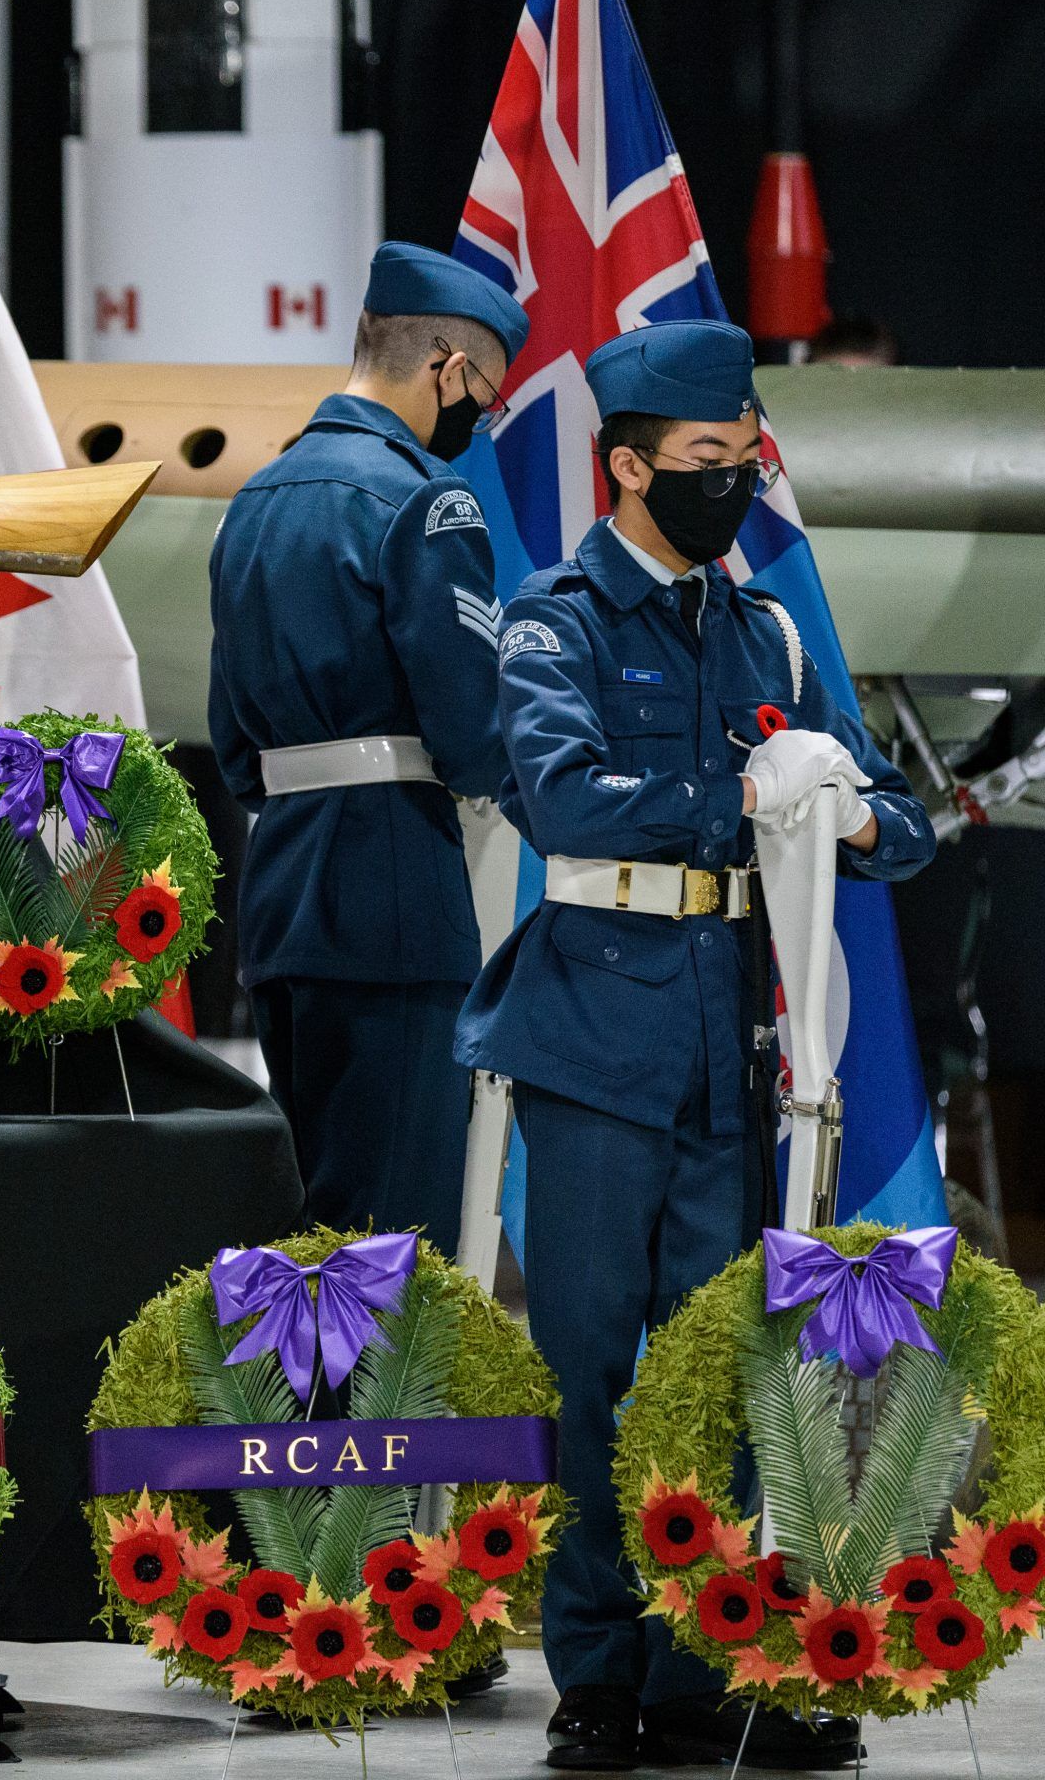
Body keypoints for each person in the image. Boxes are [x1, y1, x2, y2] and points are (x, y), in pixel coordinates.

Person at [456, 319, 933, 1772]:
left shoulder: (769, 631)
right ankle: (598, 1670)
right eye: (704, 464)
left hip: (739, 1043)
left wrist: (846, 809)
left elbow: (890, 823)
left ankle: (709, 1661)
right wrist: (756, 799)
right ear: (626, 468)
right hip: (598, 1035)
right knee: (596, 1358)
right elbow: (568, 798)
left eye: (745, 459)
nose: (732, 485)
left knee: (725, 1363)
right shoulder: (554, 619)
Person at [208, 240, 528, 1256]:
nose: (473, 418)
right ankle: (374, 1423)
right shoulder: (424, 503)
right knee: (393, 1230)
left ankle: (295, 1414)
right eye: (480, 390)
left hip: (285, 886)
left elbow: (228, 744)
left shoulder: (254, 501)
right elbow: (473, 733)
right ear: (444, 367)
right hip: (395, 887)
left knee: (309, 1216)